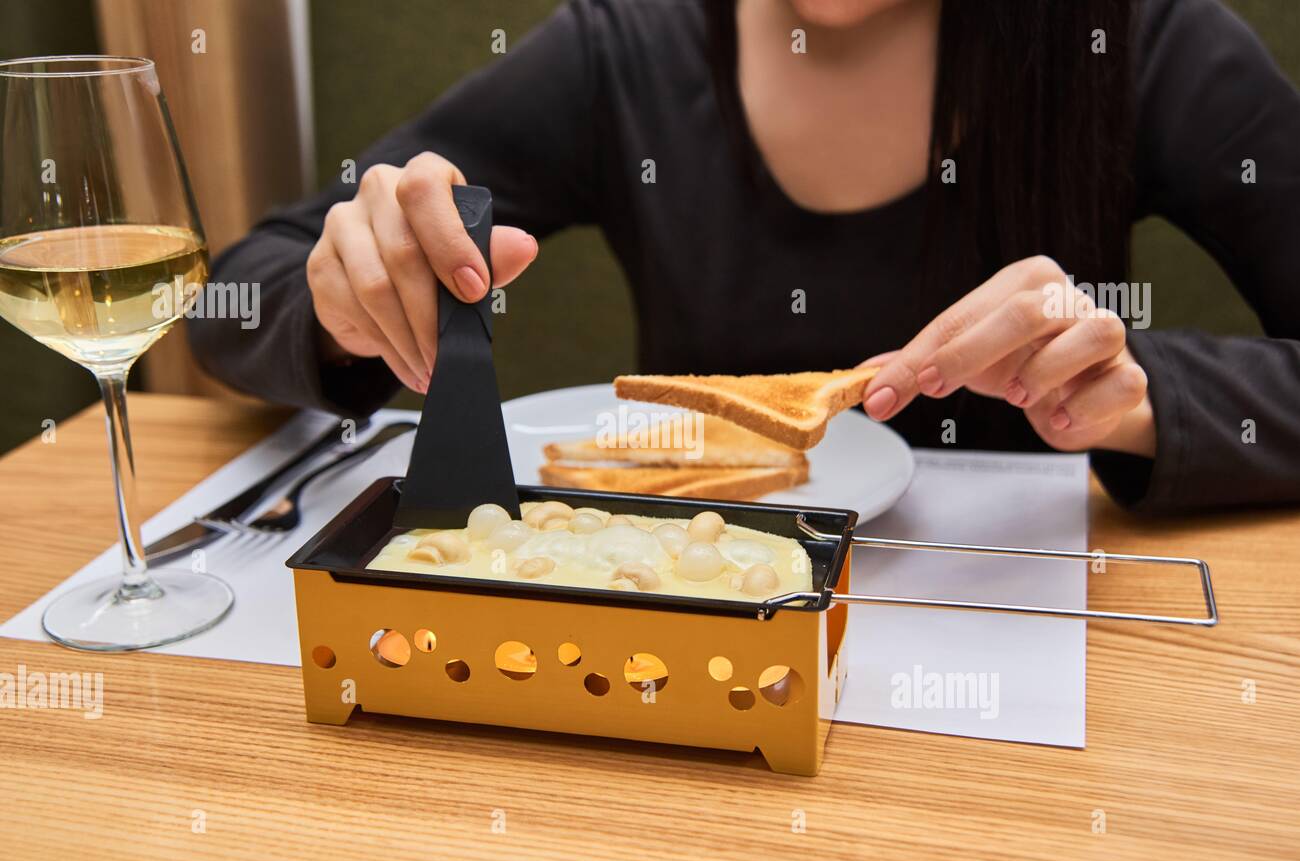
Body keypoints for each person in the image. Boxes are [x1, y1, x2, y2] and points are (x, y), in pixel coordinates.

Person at [194, 0, 1300, 512]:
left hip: (1045, 645)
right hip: (684, 617)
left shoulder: (1140, 40)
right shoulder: (618, 50)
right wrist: (342, 298)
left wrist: (1147, 395)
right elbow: (232, 295)